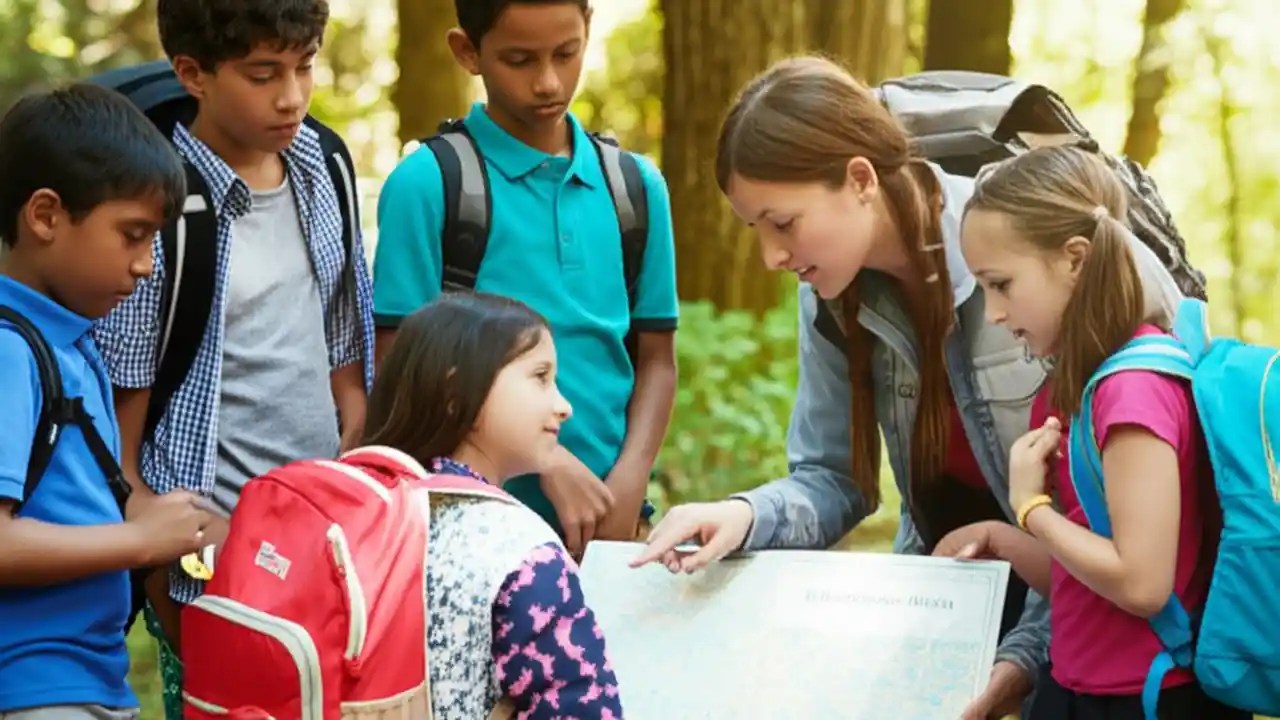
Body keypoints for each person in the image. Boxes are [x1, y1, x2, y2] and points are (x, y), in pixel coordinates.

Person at [634, 56, 1184, 718]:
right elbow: (834, 481)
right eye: (756, 231)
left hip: (1089, 625)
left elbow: (1099, 516)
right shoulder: (830, 302)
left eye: (783, 223)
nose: (770, 257)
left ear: (860, 179)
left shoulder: (1024, 260)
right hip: (952, 591)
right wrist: (743, 516)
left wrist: (1022, 656)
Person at [91, 0, 376, 716]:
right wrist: (160, 537)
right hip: (212, 552)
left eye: (304, 65)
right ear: (194, 72)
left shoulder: (324, 163)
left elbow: (344, 342)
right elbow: (124, 402)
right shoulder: (160, 202)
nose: (292, 95)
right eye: (262, 73)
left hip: (329, 535)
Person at [946, 145, 1248, 720]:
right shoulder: (1070, 393)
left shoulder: (1134, 389)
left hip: (1154, 698)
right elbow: (1084, 587)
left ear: (1076, 259)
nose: (993, 314)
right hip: (1079, 690)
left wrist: (1031, 509)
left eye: (1001, 284)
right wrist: (1003, 539)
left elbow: (1142, 585)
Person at [373, 0, 679, 557]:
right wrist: (549, 461)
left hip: (610, 525)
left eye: (566, 54)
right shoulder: (427, 185)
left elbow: (657, 358)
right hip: (470, 537)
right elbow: (401, 367)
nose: (547, 81)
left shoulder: (635, 189)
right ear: (468, 52)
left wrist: (630, 483)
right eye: (519, 59)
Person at [0, 83, 214, 720]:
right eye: (132, 235)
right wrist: (139, 540)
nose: (147, 266)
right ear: (45, 216)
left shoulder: (71, 345)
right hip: (35, 682)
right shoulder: (12, 353)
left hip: (89, 679)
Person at [365, 292, 623, 719]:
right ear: (456, 391)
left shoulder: (356, 515)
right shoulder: (521, 553)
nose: (564, 406)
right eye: (540, 376)